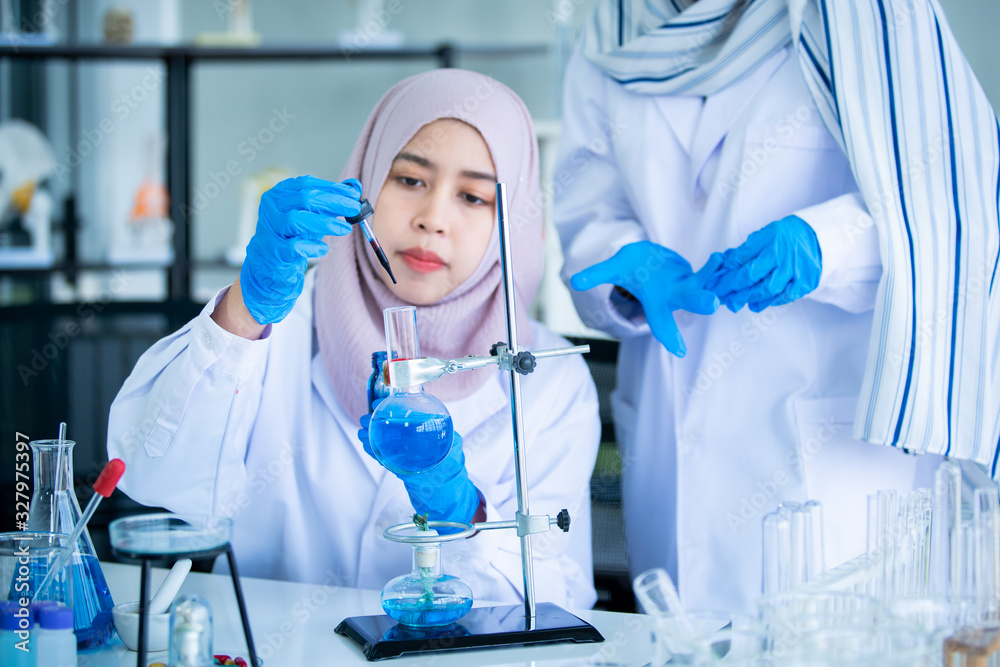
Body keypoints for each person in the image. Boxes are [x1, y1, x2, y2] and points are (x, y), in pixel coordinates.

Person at [555, 0, 999, 613]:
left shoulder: (869, 16)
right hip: (667, 420)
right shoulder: (613, 30)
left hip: (827, 447)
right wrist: (624, 263)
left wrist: (829, 243)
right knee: (682, 644)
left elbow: (952, 202)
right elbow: (586, 209)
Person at [108, 69, 600, 609]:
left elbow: (559, 597)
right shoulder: (277, 329)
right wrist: (244, 312)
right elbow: (151, 475)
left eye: (474, 197)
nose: (433, 219)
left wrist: (461, 514)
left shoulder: (550, 380)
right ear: (365, 179)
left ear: (514, 218)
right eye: (410, 180)